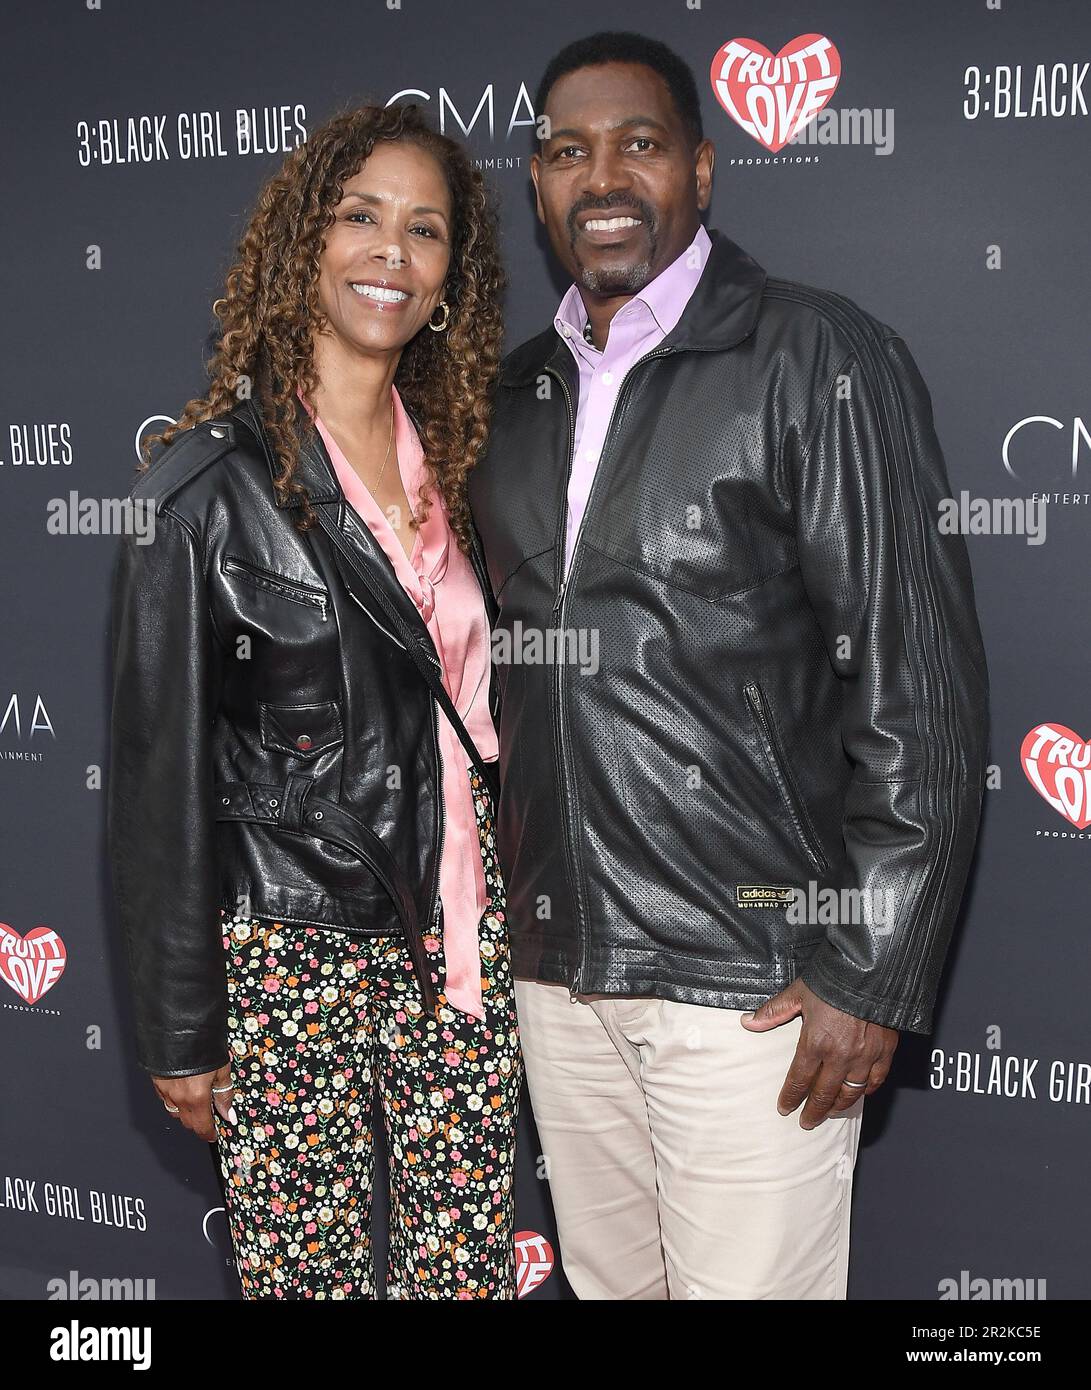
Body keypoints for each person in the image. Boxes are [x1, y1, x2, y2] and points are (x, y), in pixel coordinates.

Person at [468, 31, 990, 1300]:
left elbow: (917, 685)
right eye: (567, 151)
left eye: (638, 144)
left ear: (700, 170)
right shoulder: (510, 394)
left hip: (752, 981)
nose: (602, 177)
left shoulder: (815, 355)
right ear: (534, 184)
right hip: (559, 974)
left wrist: (867, 965)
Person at [107, 101, 522, 1300]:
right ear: (305, 245)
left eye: (425, 229)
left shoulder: (464, 466)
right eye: (360, 217)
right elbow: (156, 786)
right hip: (290, 946)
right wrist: (181, 1030)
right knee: (307, 1286)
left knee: (463, 1275)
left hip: (461, 929)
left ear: (449, 279)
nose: (392, 251)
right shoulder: (202, 491)